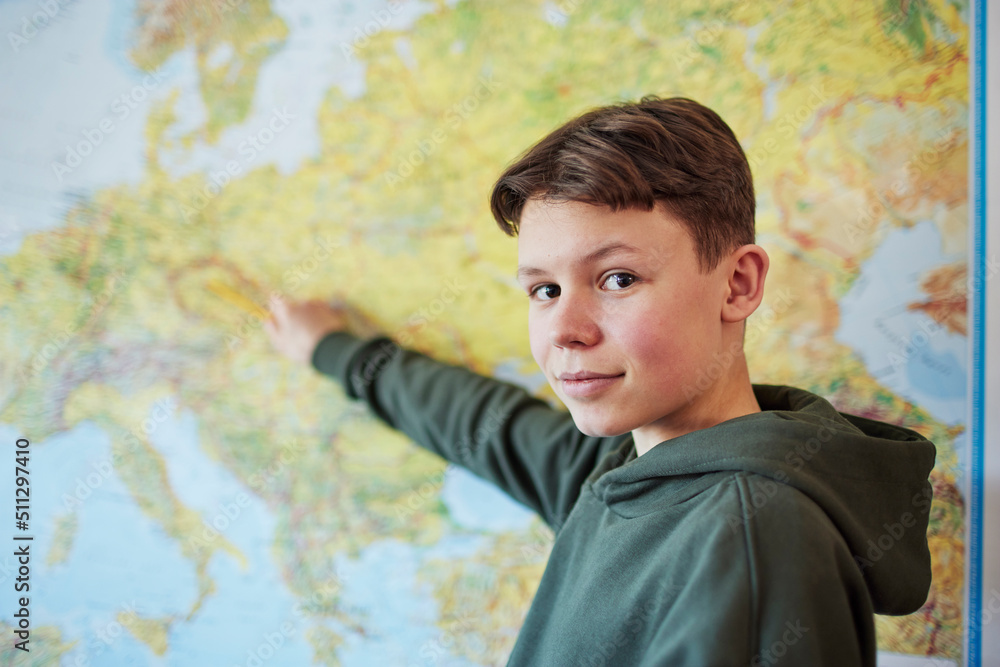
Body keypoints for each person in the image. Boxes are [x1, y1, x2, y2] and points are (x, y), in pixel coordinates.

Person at [265, 96, 936, 666]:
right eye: (545, 288)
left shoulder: (753, 541)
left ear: (737, 283)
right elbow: (484, 425)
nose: (565, 328)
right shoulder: (627, 468)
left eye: (617, 278)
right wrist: (332, 349)